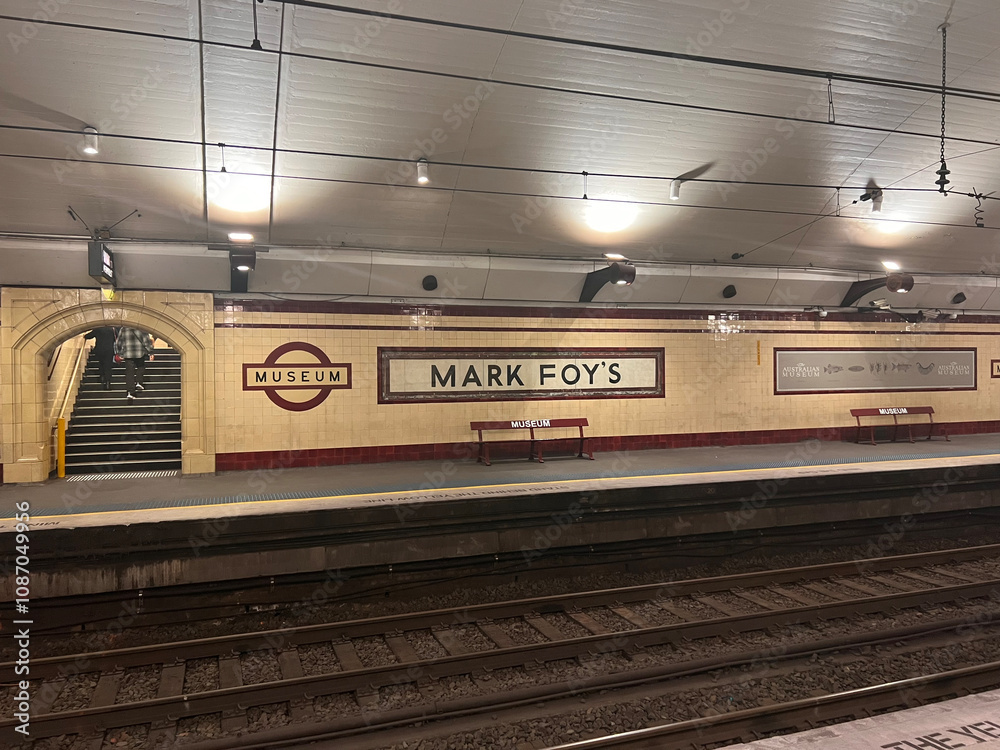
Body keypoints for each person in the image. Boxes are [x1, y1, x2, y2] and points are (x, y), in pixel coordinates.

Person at [115, 327, 155, 401]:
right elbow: (146, 341)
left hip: (128, 353)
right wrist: (150, 352)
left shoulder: (124, 328)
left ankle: (131, 391)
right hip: (139, 352)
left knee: (129, 372)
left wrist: (119, 353)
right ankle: (139, 382)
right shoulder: (141, 327)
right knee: (141, 366)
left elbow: (119, 342)